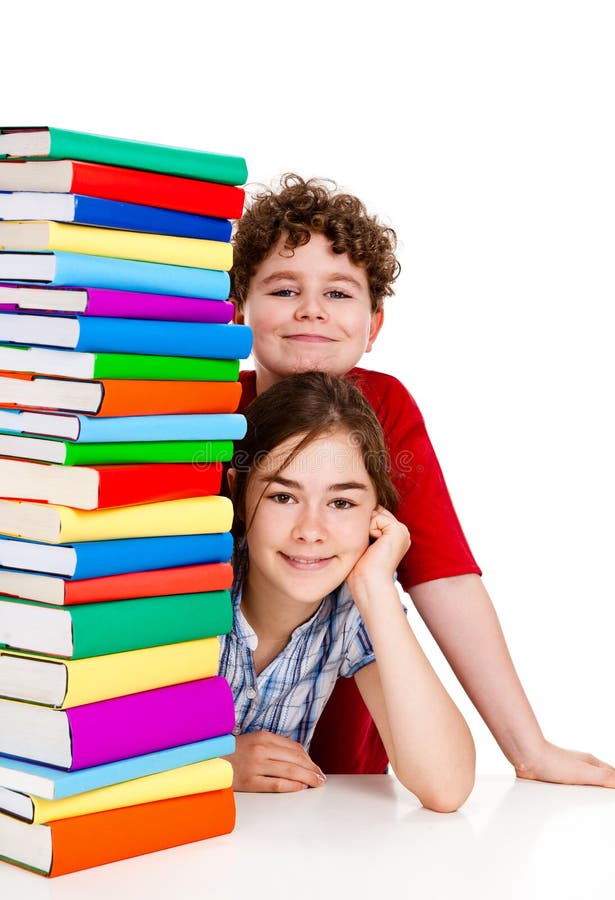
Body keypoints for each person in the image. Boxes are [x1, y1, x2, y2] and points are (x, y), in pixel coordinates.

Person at [229, 173, 615, 789]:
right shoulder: (197, 411)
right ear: (237, 307)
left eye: (338, 292)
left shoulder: (382, 408)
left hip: (342, 721)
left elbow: (441, 573)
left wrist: (528, 747)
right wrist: (197, 759)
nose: (311, 310)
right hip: (196, 718)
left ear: (373, 324)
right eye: (283, 289)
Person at [221, 370, 476, 810]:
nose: (311, 531)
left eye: (342, 503)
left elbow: (445, 786)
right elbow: (78, 741)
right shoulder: (184, 586)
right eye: (283, 497)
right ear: (239, 493)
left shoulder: (351, 606)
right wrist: (215, 763)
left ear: (375, 514)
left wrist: (376, 587)